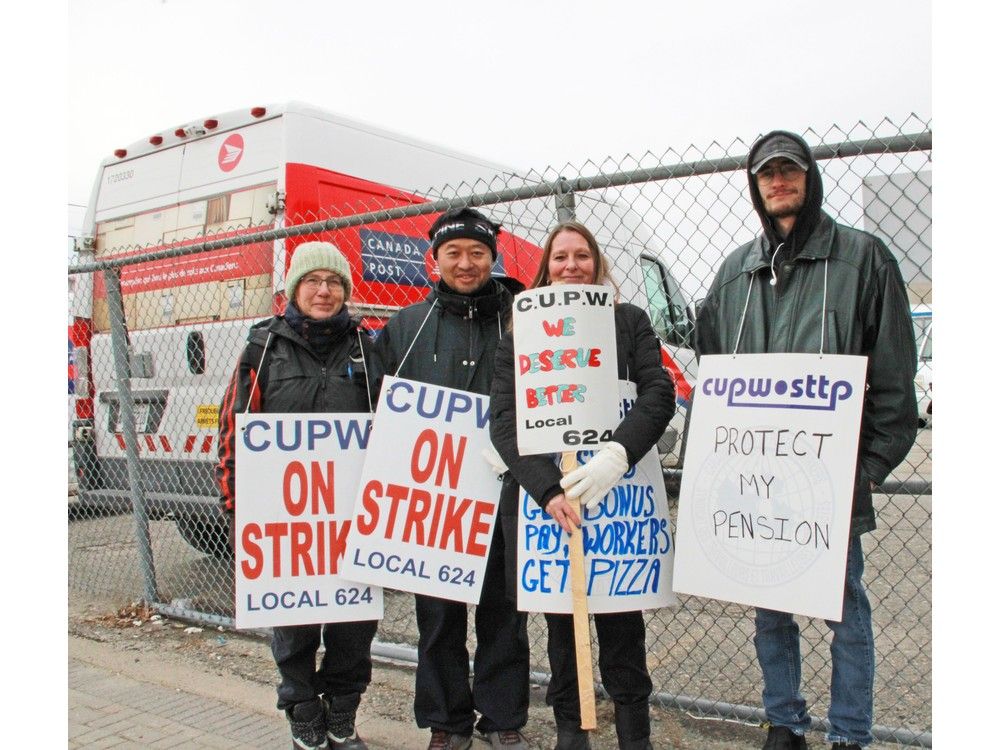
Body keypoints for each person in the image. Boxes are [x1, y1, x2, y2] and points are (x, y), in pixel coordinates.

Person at [694, 131, 918, 750]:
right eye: (766, 174)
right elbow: (712, 369)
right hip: (757, 483)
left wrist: (868, 467)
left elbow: (897, 379)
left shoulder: (862, 259)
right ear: (754, 185)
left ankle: (849, 733)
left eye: (789, 170)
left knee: (844, 610)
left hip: (830, 480)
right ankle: (784, 723)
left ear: (809, 176)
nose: (778, 182)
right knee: (769, 608)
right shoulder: (736, 270)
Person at [489, 221, 676, 750]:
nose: (571, 266)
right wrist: (548, 490)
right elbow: (503, 419)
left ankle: (633, 732)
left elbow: (657, 392)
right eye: (559, 257)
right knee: (563, 630)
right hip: (552, 505)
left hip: (618, 497)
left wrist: (617, 455)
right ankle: (572, 729)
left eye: (582, 256)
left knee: (622, 630)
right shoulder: (520, 334)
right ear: (544, 268)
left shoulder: (628, 321)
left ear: (598, 264)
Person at [369, 207, 531, 750]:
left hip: (507, 492)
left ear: (493, 257)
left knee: (504, 615)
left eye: (477, 253)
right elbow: (373, 406)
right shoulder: (406, 329)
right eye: (453, 253)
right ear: (432, 258)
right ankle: (446, 723)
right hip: (433, 505)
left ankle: (502, 720)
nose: (466, 263)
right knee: (436, 619)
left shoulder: (523, 318)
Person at [216, 241, 378, 750]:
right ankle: (304, 713)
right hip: (288, 522)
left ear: (346, 291)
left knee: (354, 624)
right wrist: (235, 503)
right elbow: (233, 429)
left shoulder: (368, 349)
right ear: (293, 289)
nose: (324, 291)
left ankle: (343, 715)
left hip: (354, 519)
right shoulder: (261, 348)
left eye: (334, 283)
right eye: (313, 281)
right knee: (292, 625)